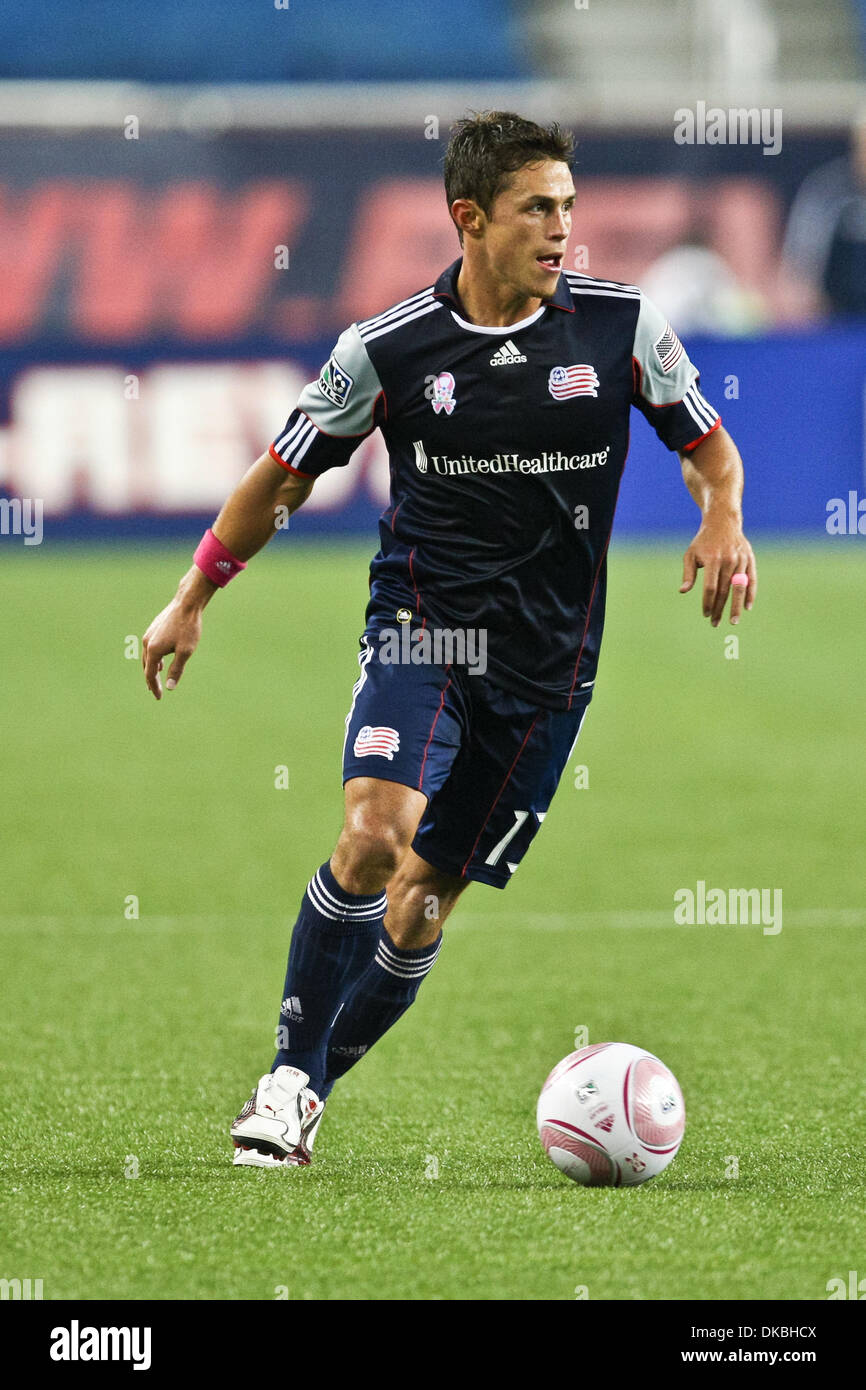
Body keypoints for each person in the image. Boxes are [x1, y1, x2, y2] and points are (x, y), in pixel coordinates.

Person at [142, 111, 757, 1169]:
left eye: (567, 207)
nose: (560, 228)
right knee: (377, 835)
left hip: (549, 674)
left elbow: (707, 447)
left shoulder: (622, 329)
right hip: (424, 635)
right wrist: (193, 594)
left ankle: (308, 1089)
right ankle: (285, 1083)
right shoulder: (385, 349)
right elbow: (282, 476)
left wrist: (721, 520)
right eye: (536, 209)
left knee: (422, 902)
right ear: (468, 219)